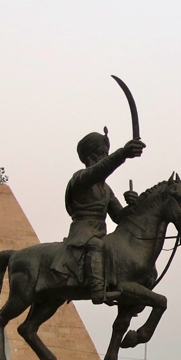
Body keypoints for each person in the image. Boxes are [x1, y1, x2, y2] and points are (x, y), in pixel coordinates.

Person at [63, 130, 144, 303]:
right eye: (101, 153)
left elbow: (119, 217)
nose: (104, 158)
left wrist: (133, 205)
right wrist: (122, 153)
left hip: (101, 232)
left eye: (106, 154)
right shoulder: (80, 178)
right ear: (88, 156)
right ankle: (98, 290)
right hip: (83, 231)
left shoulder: (106, 189)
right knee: (96, 245)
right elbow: (98, 171)